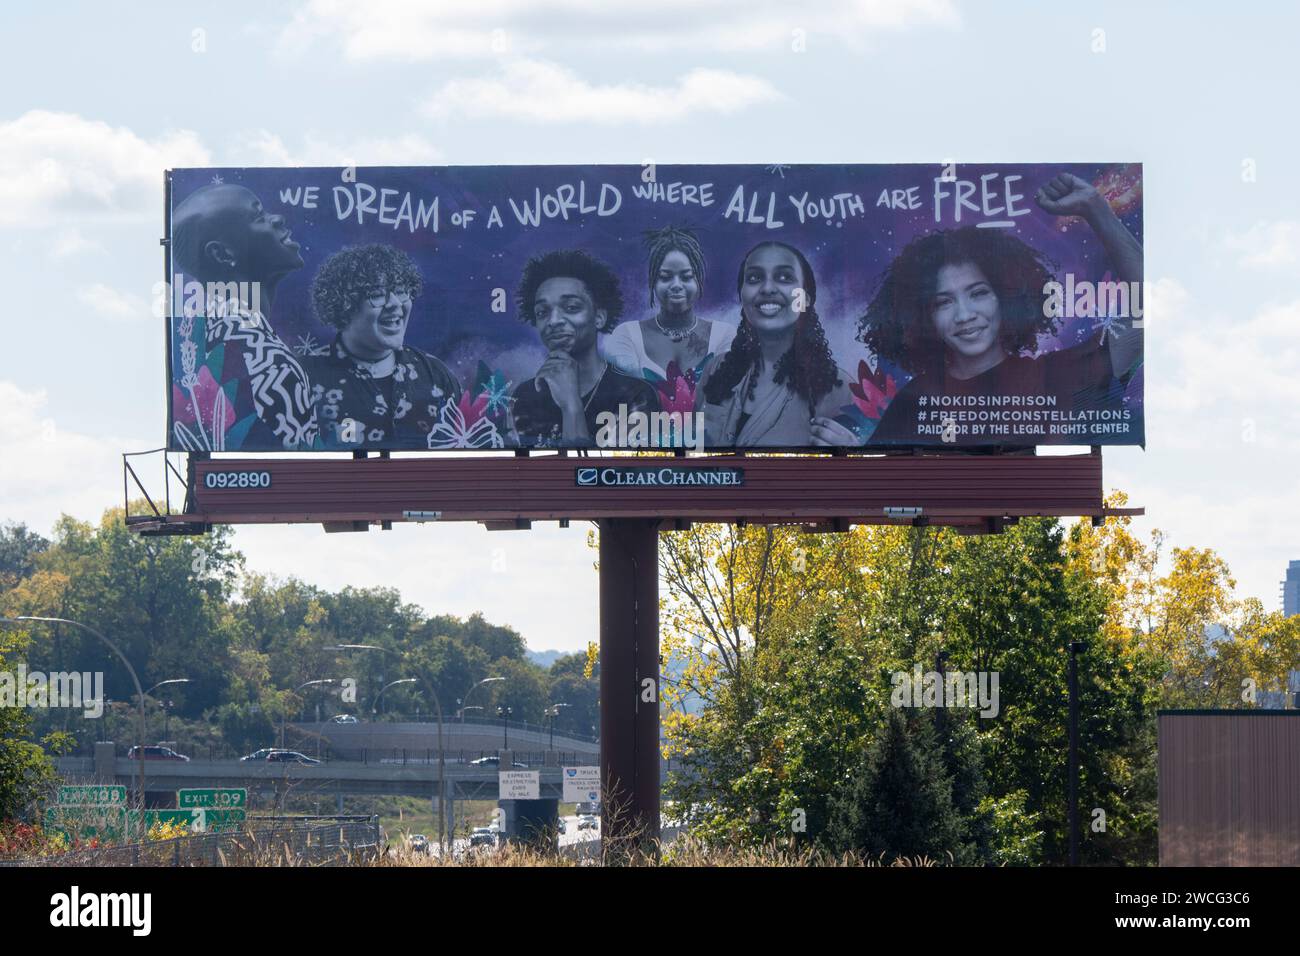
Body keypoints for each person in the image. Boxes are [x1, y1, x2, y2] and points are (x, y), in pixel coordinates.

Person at [859, 172, 1144, 445]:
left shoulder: (1057, 375)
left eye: (978, 293)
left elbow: (1143, 310)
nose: (964, 315)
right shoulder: (917, 400)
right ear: (924, 317)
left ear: (1007, 298)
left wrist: (1095, 207)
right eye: (943, 302)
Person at [171, 183, 318, 449]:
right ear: (223, 253)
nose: (278, 218)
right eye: (258, 216)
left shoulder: (214, 335)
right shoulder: (264, 358)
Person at [698, 241, 860, 448]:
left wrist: (851, 452)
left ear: (806, 299)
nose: (767, 288)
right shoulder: (716, 370)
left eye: (784, 277)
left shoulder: (838, 387)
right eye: (755, 278)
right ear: (741, 296)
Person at [301, 244, 463, 449]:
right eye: (377, 294)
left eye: (401, 291)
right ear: (343, 305)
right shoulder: (300, 377)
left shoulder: (435, 374)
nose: (395, 303)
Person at [508, 249, 658, 448]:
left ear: (599, 317)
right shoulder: (525, 396)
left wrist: (571, 407)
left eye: (571, 307)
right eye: (542, 312)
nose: (553, 321)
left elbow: (608, 477)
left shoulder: (634, 395)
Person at [603, 225, 735, 402]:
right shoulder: (626, 336)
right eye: (665, 277)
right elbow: (624, 403)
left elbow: (724, 402)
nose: (676, 285)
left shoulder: (724, 335)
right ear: (653, 283)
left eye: (686, 277)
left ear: (698, 281)